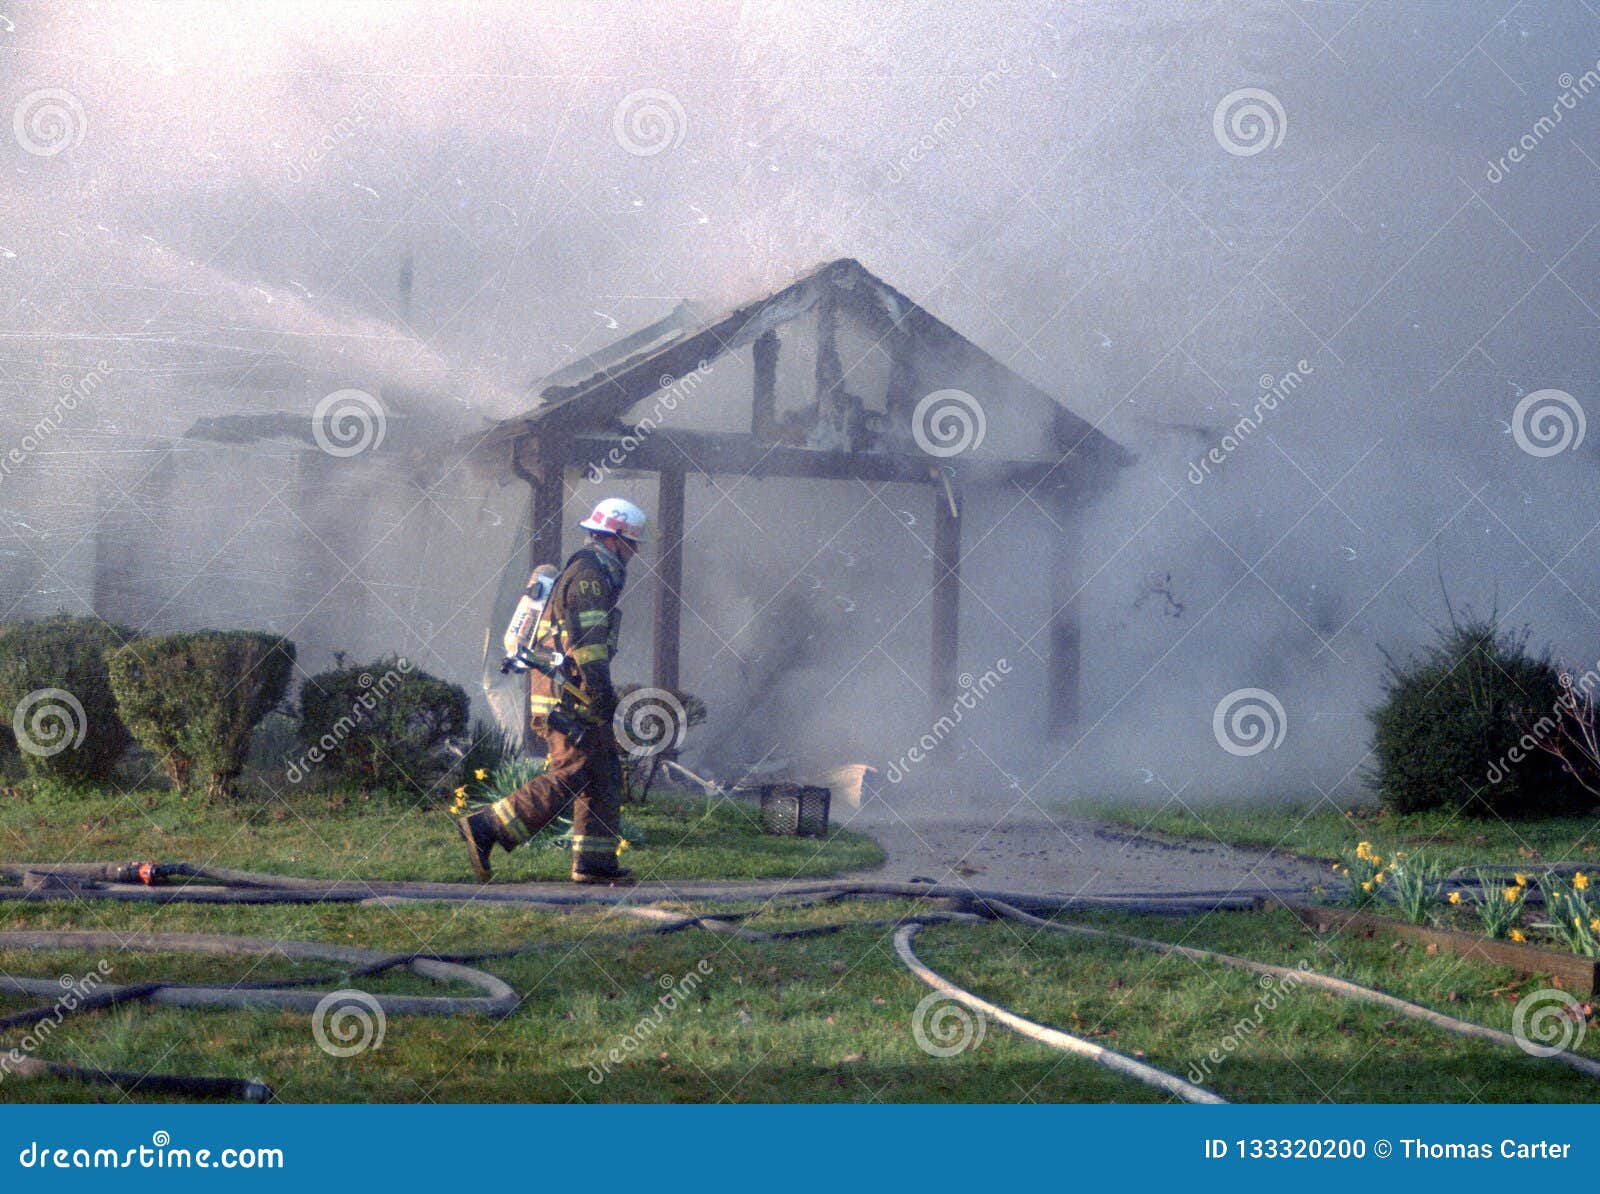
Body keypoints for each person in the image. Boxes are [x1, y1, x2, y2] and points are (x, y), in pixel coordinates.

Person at [457, 497, 647, 884]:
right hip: (572, 695)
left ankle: (594, 864)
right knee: (571, 773)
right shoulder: (590, 578)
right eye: (632, 543)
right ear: (615, 538)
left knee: (604, 774)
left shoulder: (597, 572)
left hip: (573, 690)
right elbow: (589, 644)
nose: (635, 552)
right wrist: (601, 692)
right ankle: (487, 826)